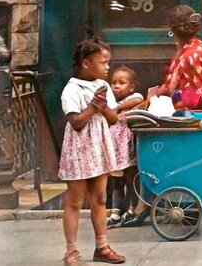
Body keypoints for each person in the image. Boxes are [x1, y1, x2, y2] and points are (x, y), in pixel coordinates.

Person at [59, 37, 125, 266]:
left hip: (98, 147)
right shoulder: (72, 89)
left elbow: (114, 118)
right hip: (78, 149)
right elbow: (76, 122)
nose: (107, 67)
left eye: (108, 62)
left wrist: (104, 105)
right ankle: (71, 251)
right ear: (86, 63)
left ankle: (102, 246)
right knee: (75, 201)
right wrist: (92, 106)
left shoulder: (104, 86)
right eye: (103, 62)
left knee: (100, 198)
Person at [146, 5, 202, 111]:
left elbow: (171, 88)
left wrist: (151, 96)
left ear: (171, 29)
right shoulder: (198, 45)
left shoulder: (188, 56)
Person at [106, 66, 143, 227]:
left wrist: (119, 107)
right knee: (116, 182)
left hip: (128, 148)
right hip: (114, 149)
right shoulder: (109, 101)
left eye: (122, 83)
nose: (116, 86)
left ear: (132, 86)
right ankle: (115, 212)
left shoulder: (132, 98)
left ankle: (132, 209)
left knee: (131, 179)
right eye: (113, 82)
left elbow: (139, 99)